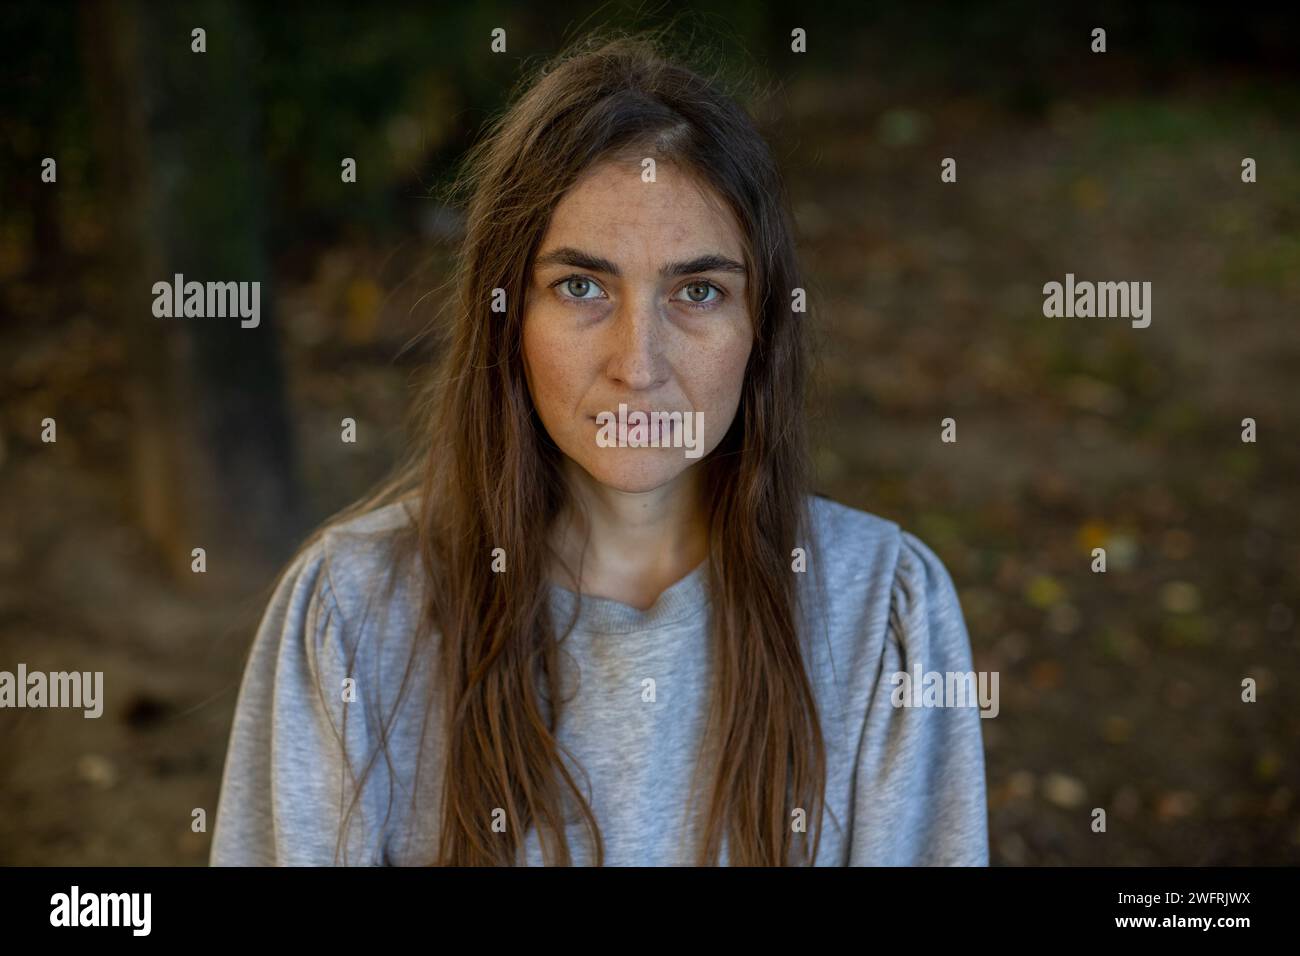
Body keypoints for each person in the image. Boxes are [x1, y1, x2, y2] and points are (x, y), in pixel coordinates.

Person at [210, 31, 988, 867]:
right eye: (581, 286)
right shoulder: (352, 617)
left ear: (759, 330)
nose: (638, 365)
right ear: (509, 317)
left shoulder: (883, 615)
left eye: (698, 291)